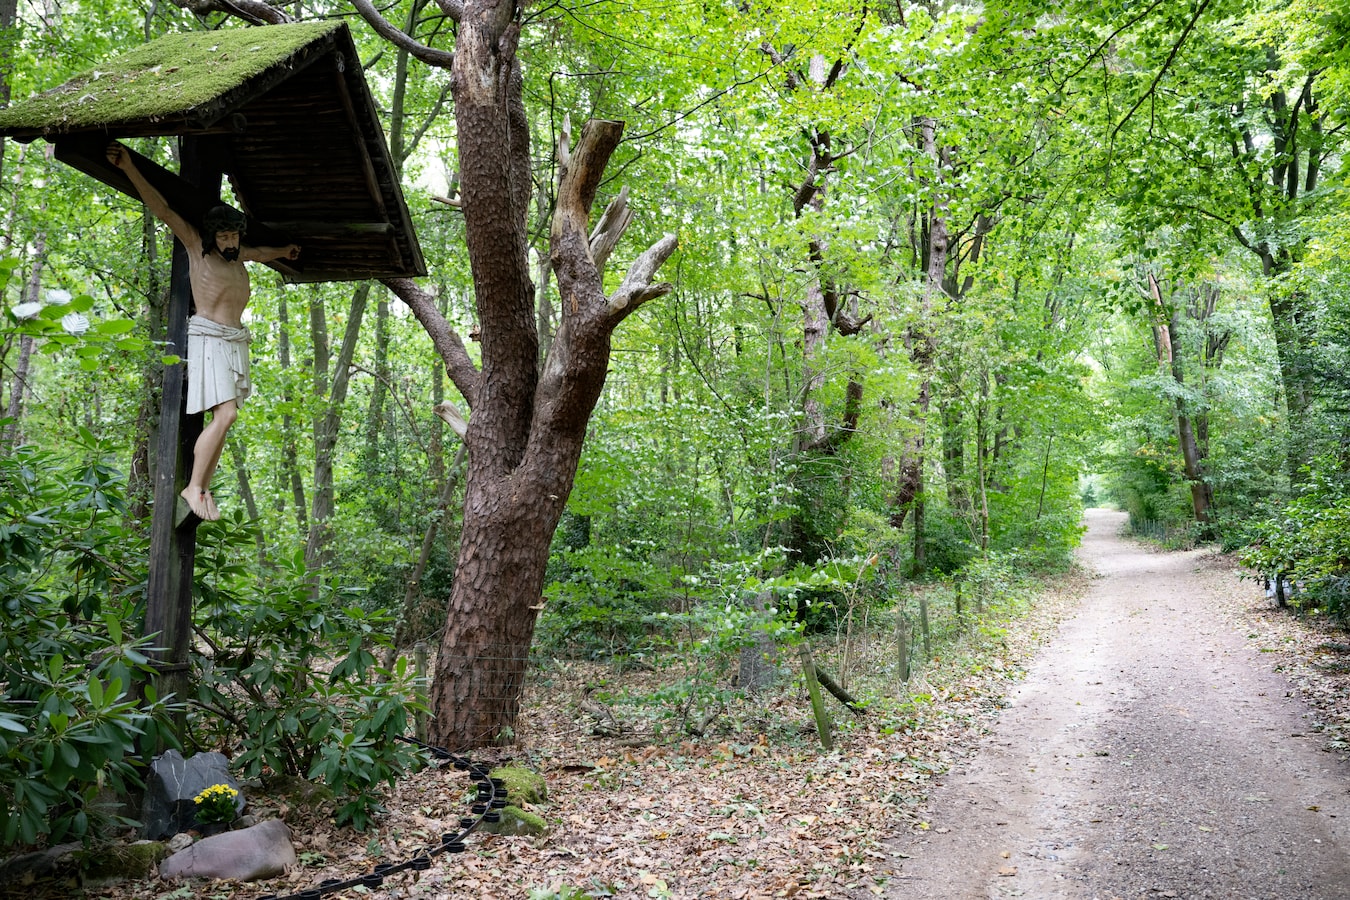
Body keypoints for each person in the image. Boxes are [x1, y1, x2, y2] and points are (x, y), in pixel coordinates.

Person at [106, 141, 300, 521]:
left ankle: (203, 487)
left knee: (229, 418)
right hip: (209, 337)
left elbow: (261, 253)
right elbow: (162, 208)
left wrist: (284, 251)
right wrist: (129, 166)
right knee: (225, 415)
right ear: (213, 235)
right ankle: (192, 485)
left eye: (234, 236)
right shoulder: (197, 247)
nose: (230, 242)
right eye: (224, 236)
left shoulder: (240, 255)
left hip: (234, 340)